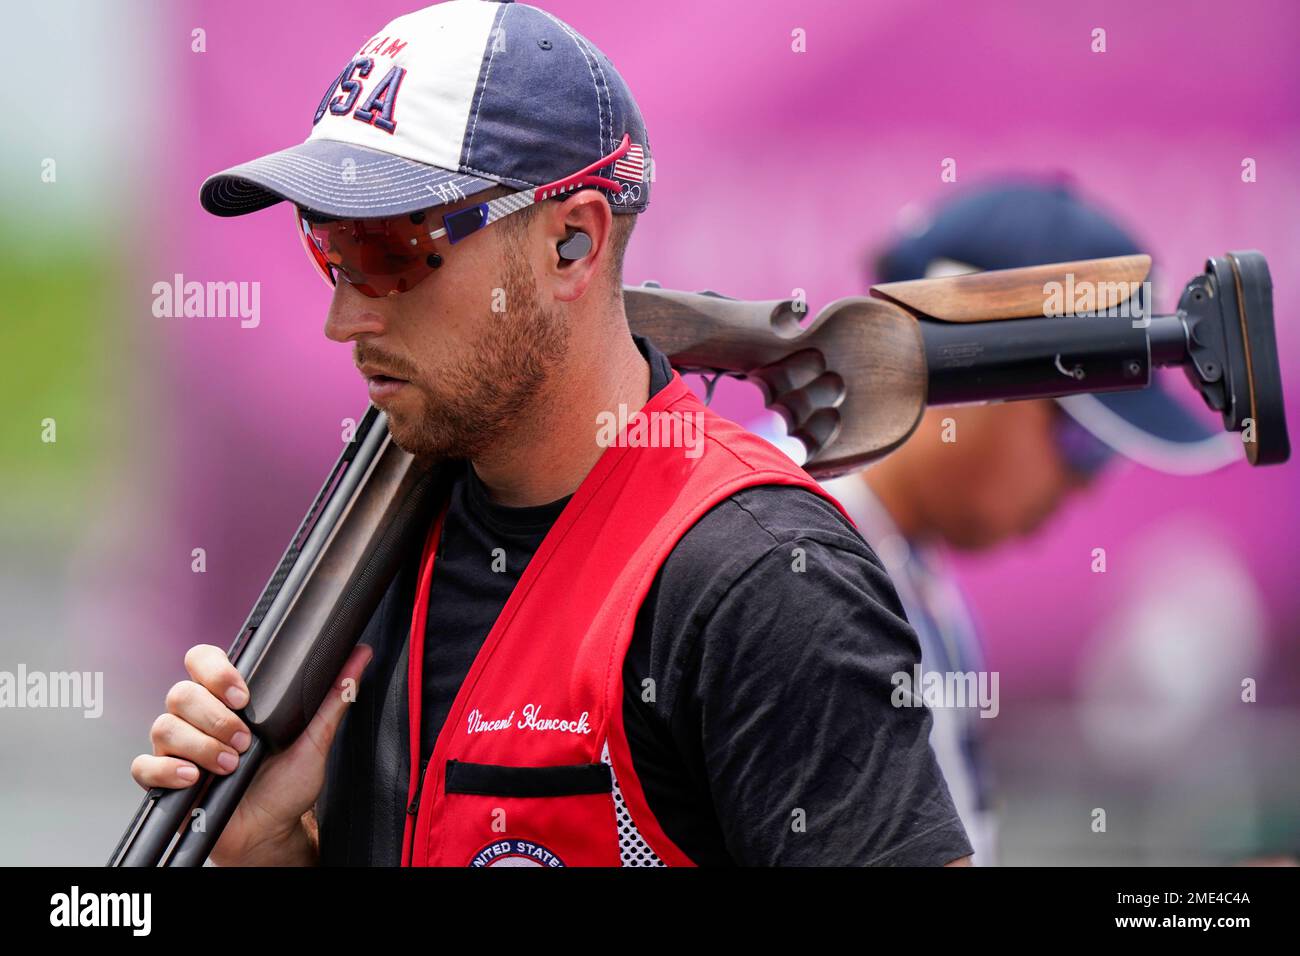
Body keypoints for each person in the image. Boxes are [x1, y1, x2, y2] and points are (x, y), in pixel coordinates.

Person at [129, 0, 973, 867]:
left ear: (571, 241)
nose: (344, 319)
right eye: (330, 248)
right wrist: (271, 853)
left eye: (388, 248)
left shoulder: (765, 582)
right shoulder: (369, 553)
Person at [818, 181, 1241, 864]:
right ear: (964, 365)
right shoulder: (791, 556)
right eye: (1085, 440)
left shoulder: (908, 565)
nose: (1081, 487)